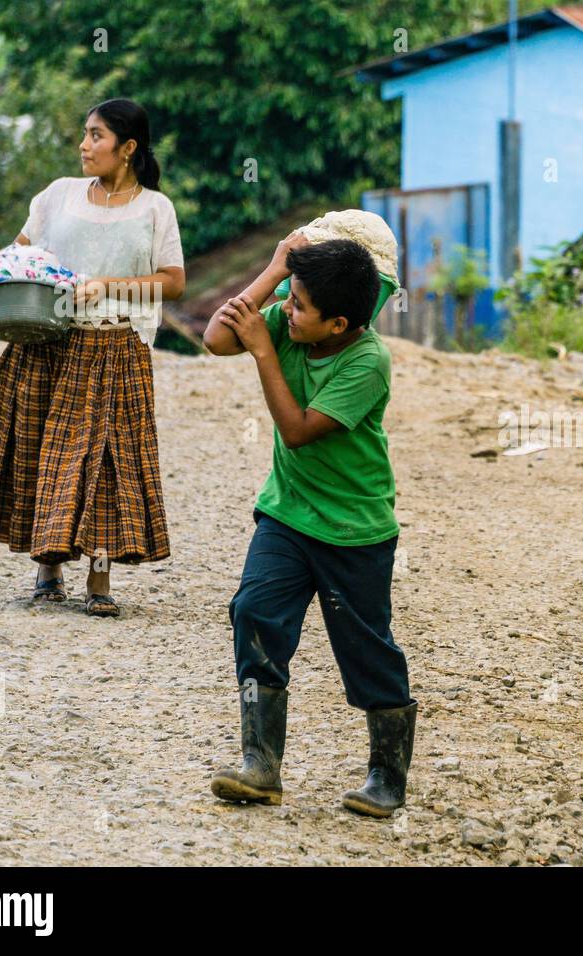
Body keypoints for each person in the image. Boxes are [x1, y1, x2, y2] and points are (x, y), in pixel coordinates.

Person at [203, 234, 416, 818]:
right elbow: (217, 338)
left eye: (297, 306)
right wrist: (275, 270)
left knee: (366, 649)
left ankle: (387, 774)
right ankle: (260, 764)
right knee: (254, 612)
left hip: (354, 531)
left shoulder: (367, 359)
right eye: (287, 300)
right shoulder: (292, 317)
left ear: (339, 323)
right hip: (288, 514)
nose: (285, 312)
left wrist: (265, 354)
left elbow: (296, 430)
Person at [0, 98, 185, 617]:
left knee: (105, 463)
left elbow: (172, 284)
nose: (84, 145)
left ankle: (99, 579)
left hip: (115, 347)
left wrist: (106, 287)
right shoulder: (58, 195)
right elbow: (18, 257)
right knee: (39, 449)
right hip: (46, 341)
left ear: (127, 148)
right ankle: (48, 570)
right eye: (84, 133)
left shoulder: (154, 208)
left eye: (96, 135)